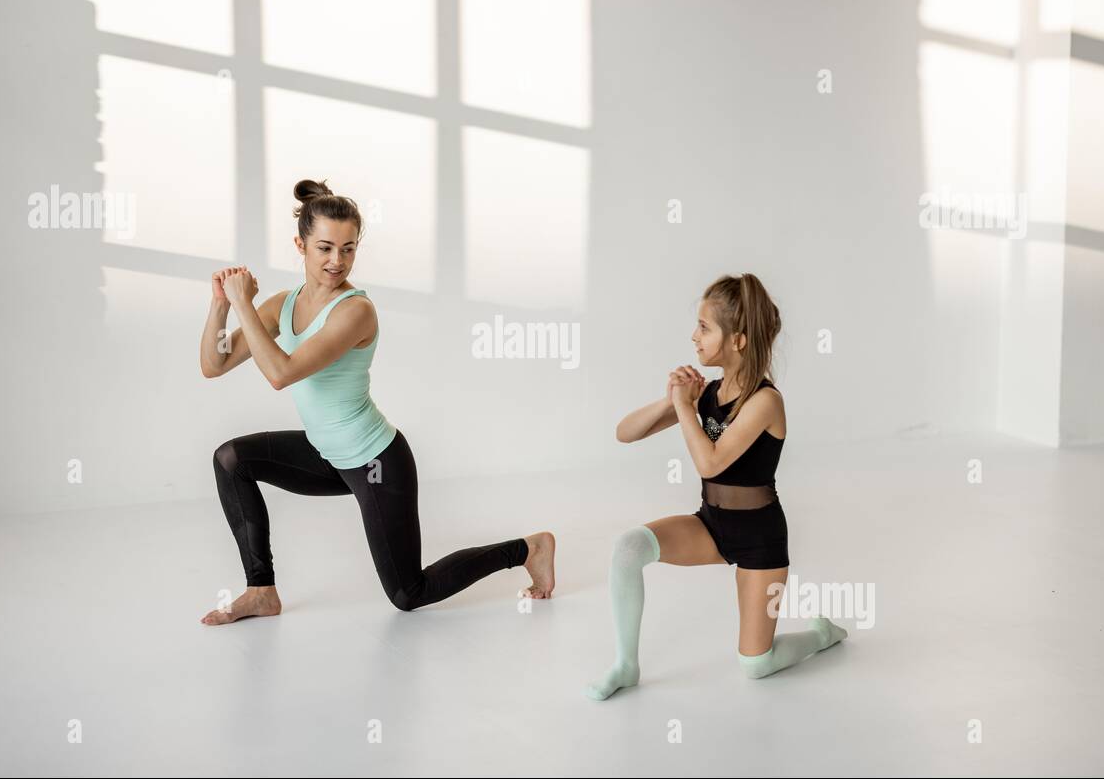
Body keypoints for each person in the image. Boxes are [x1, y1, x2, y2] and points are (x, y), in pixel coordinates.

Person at [199, 179, 555, 624]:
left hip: (375, 463)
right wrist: (221, 305)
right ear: (301, 245)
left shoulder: (355, 311)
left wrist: (243, 304)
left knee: (408, 593)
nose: (336, 261)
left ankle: (529, 548)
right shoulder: (282, 305)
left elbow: (281, 374)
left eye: (348, 249)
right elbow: (214, 364)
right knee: (231, 459)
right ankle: (261, 590)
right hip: (324, 453)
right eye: (325, 248)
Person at [586, 273, 846, 699]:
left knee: (757, 665)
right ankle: (625, 666)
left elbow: (710, 463)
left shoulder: (766, 401)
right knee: (629, 547)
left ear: (739, 339)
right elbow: (624, 433)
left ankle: (821, 636)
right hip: (710, 526)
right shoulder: (707, 394)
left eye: (705, 327)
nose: (694, 336)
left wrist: (686, 409)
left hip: (761, 540)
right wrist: (673, 397)